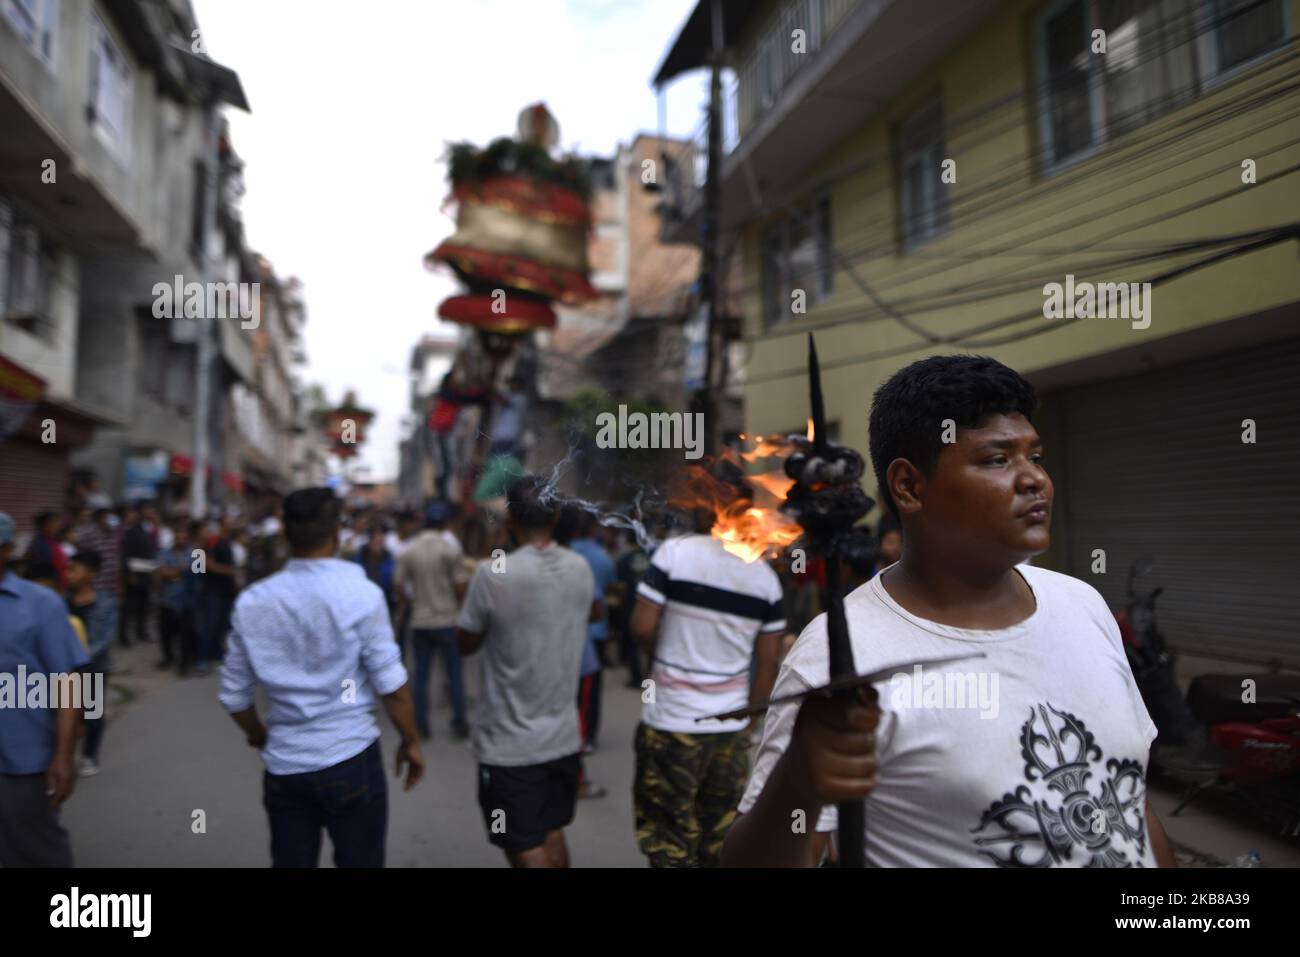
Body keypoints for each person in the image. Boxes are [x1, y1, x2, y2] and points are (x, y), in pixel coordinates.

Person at [722, 354, 1176, 868]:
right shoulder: (839, 653)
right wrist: (796, 785)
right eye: (997, 459)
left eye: (1036, 456)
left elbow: (1129, 806)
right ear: (909, 487)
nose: (1033, 480)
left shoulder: (1083, 604)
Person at [218, 488, 424, 868]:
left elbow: (235, 697)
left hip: (285, 766)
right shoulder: (362, 594)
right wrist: (410, 741)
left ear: (284, 533)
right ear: (337, 533)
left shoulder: (252, 601)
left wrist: (259, 735)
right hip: (350, 757)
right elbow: (391, 686)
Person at [627, 494, 786, 868]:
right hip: (729, 729)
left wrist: (661, 653)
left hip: (671, 723)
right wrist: (748, 721)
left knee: (669, 843)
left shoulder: (674, 553)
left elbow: (641, 626)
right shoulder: (765, 578)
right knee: (720, 840)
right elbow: (767, 664)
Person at [455, 476, 595, 867]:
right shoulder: (580, 566)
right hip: (564, 739)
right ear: (555, 516)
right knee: (551, 830)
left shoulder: (493, 572)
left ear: (510, 520)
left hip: (510, 746)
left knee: (522, 843)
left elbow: (465, 642)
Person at [0, 512, 90, 867]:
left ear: (7, 549)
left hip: (22, 761)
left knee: (35, 850)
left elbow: (69, 682)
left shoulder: (41, 604)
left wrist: (63, 755)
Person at [394, 502, 468, 740]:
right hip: (447, 619)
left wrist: (411, 601)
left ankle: (421, 726)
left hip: (420, 621)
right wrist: (459, 606)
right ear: (444, 523)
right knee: (454, 673)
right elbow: (459, 586)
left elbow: (397, 584)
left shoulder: (409, 549)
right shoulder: (450, 549)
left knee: (421, 675)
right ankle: (459, 723)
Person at [65, 550, 117, 777]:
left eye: (75, 569)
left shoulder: (106, 603)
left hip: (94, 666)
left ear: (91, 573)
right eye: (69, 568)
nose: (70, 574)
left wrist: (80, 655)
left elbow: (105, 638)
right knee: (66, 710)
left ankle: (89, 755)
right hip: (66, 667)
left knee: (93, 712)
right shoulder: (61, 601)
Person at [155, 522, 198, 673]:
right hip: (166, 599)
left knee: (185, 634)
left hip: (187, 599)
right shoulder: (164, 553)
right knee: (165, 632)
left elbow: (198, 575)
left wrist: (173, 573)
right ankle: (168, 658)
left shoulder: (197, 553)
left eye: (183, 537)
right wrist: (182, 572)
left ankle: (185, 664)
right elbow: (160, 572)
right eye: (178, 537)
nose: (180, 540)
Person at [119, 502, 159, 646]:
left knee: (144, 605)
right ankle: (123, 636)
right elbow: (126, 554)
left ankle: (141, 632)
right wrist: (129, 574)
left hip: (147, 573)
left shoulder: (149, 529)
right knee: (129, 607)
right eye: (148, 509)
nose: (151, 512)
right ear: (141, 512)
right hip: (135, 574)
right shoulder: (131, 531)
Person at [23, 512, 68, 590]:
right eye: (55, 522)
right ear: (47, 525)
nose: (59, 525)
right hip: (48, 585)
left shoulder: (53, 540)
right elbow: (44, 567)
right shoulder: (40, 544)